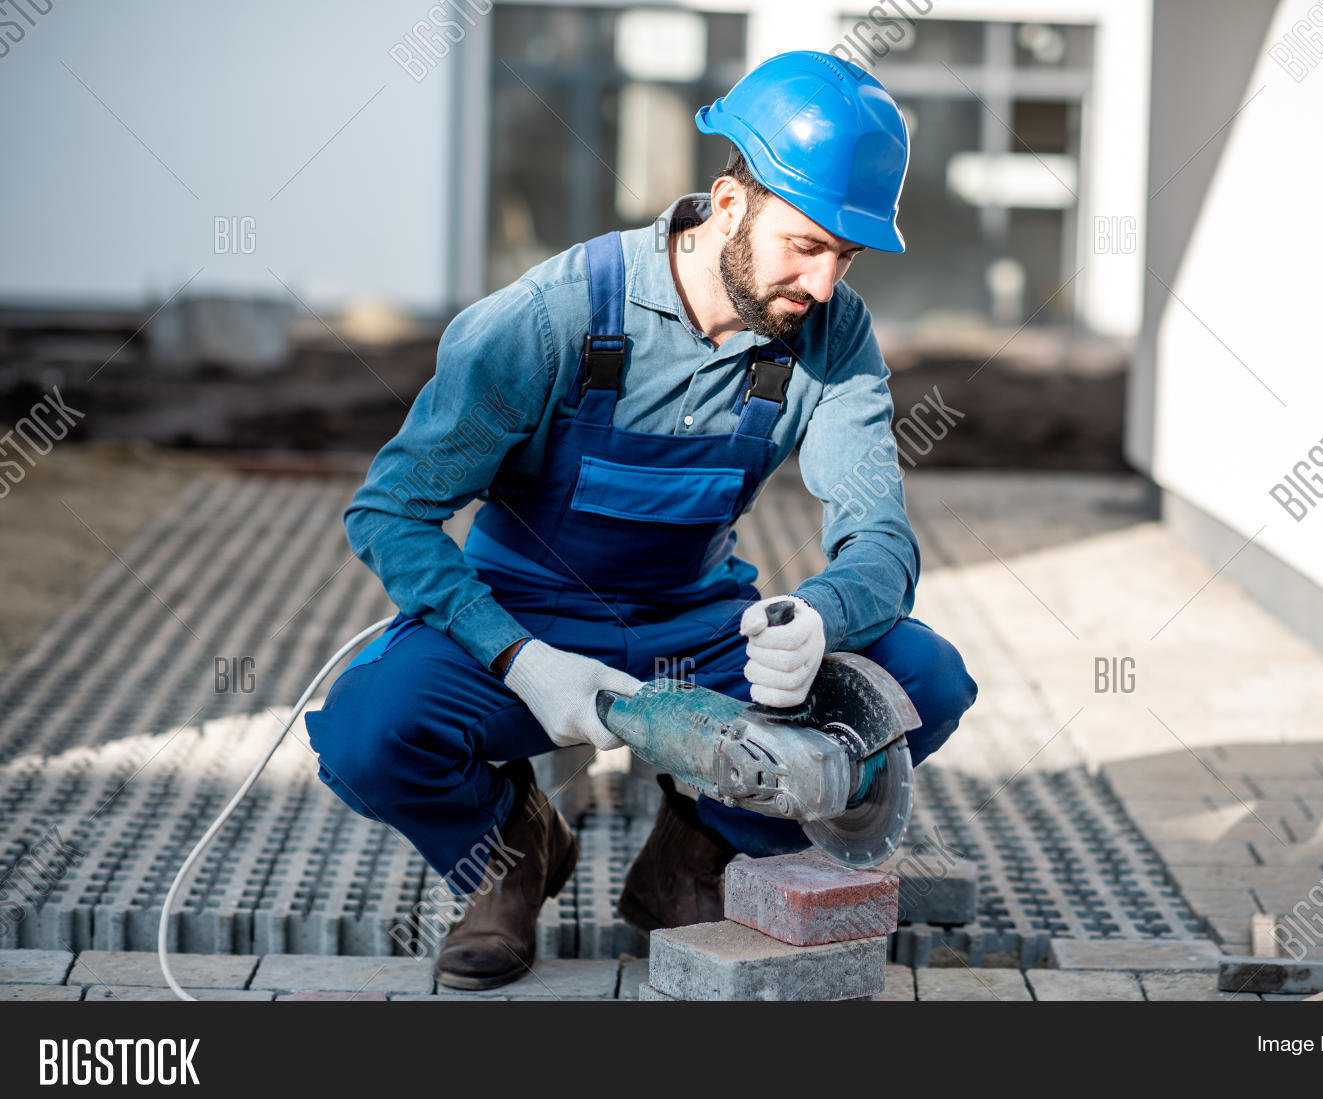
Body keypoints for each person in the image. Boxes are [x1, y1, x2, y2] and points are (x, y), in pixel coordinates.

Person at [305, 50, 978, 991]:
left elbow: (879, 534)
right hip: (528, 616)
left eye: (845, 256)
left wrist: (821, 614)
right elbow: (390, 512)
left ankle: (694, 847)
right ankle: (513, 848)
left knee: (922, 682)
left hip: (698, 626)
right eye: (806, 245)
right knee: (372, 729)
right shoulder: (549, 319)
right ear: (729, 204)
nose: (823, 285)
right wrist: (518, 658)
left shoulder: (828, 334)